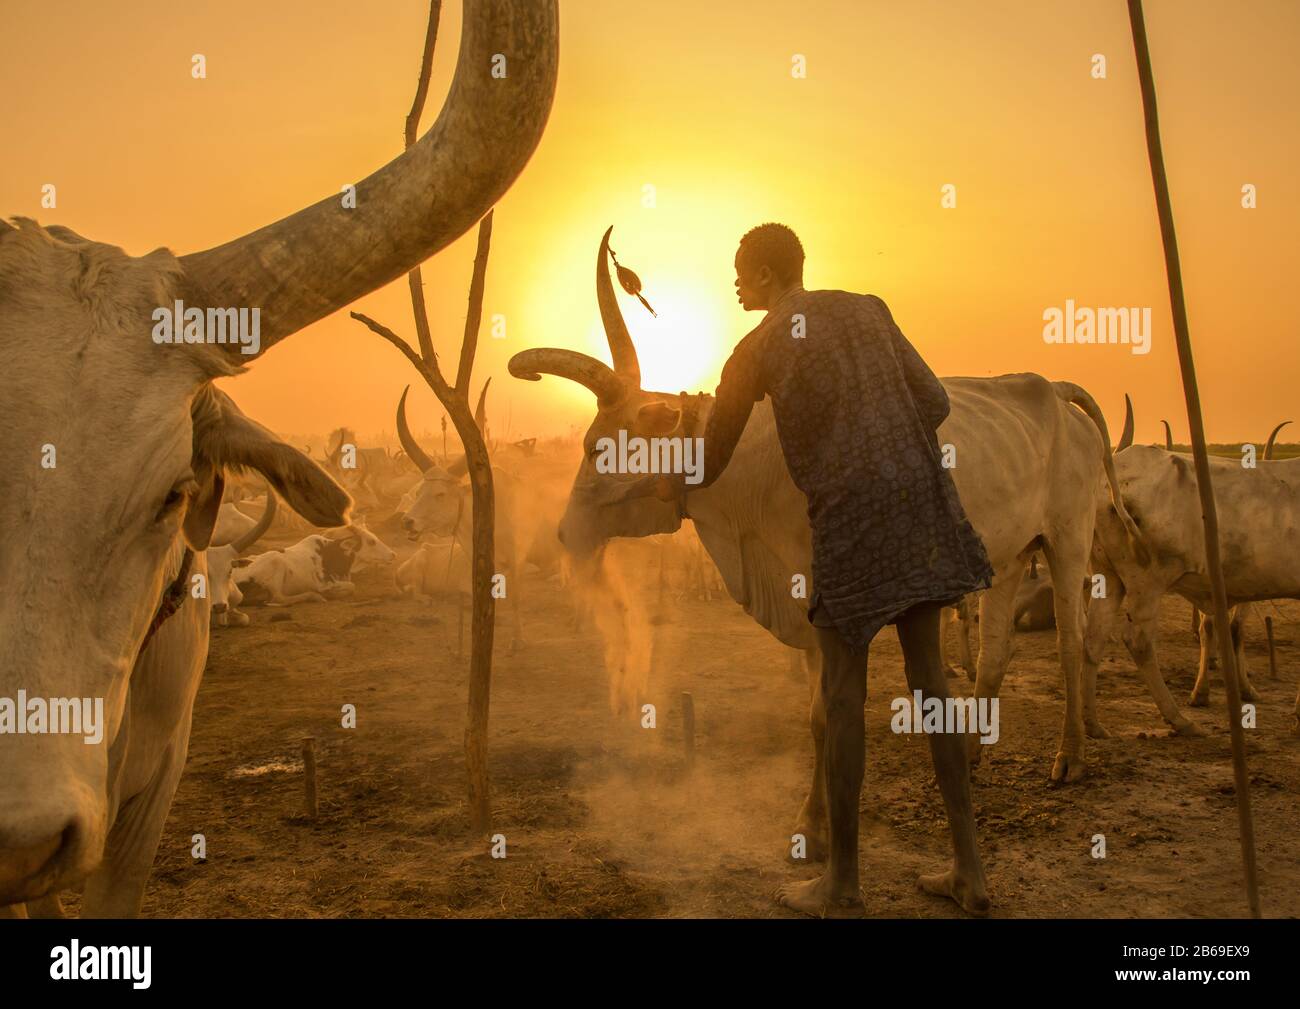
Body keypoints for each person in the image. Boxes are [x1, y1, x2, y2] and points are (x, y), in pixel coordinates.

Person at [614, 223, 995, 917]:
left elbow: (713, 457)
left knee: (845, 693)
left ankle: (843, 885)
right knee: (931, 683)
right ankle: (969, 869)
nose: (733, 285)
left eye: (739, 273)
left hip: (849, 518)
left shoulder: (754, 350)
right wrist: (883, 433)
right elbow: (935, 402)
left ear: (763, 274)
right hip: (921, 499)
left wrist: (671, 484)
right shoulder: (869, 308)